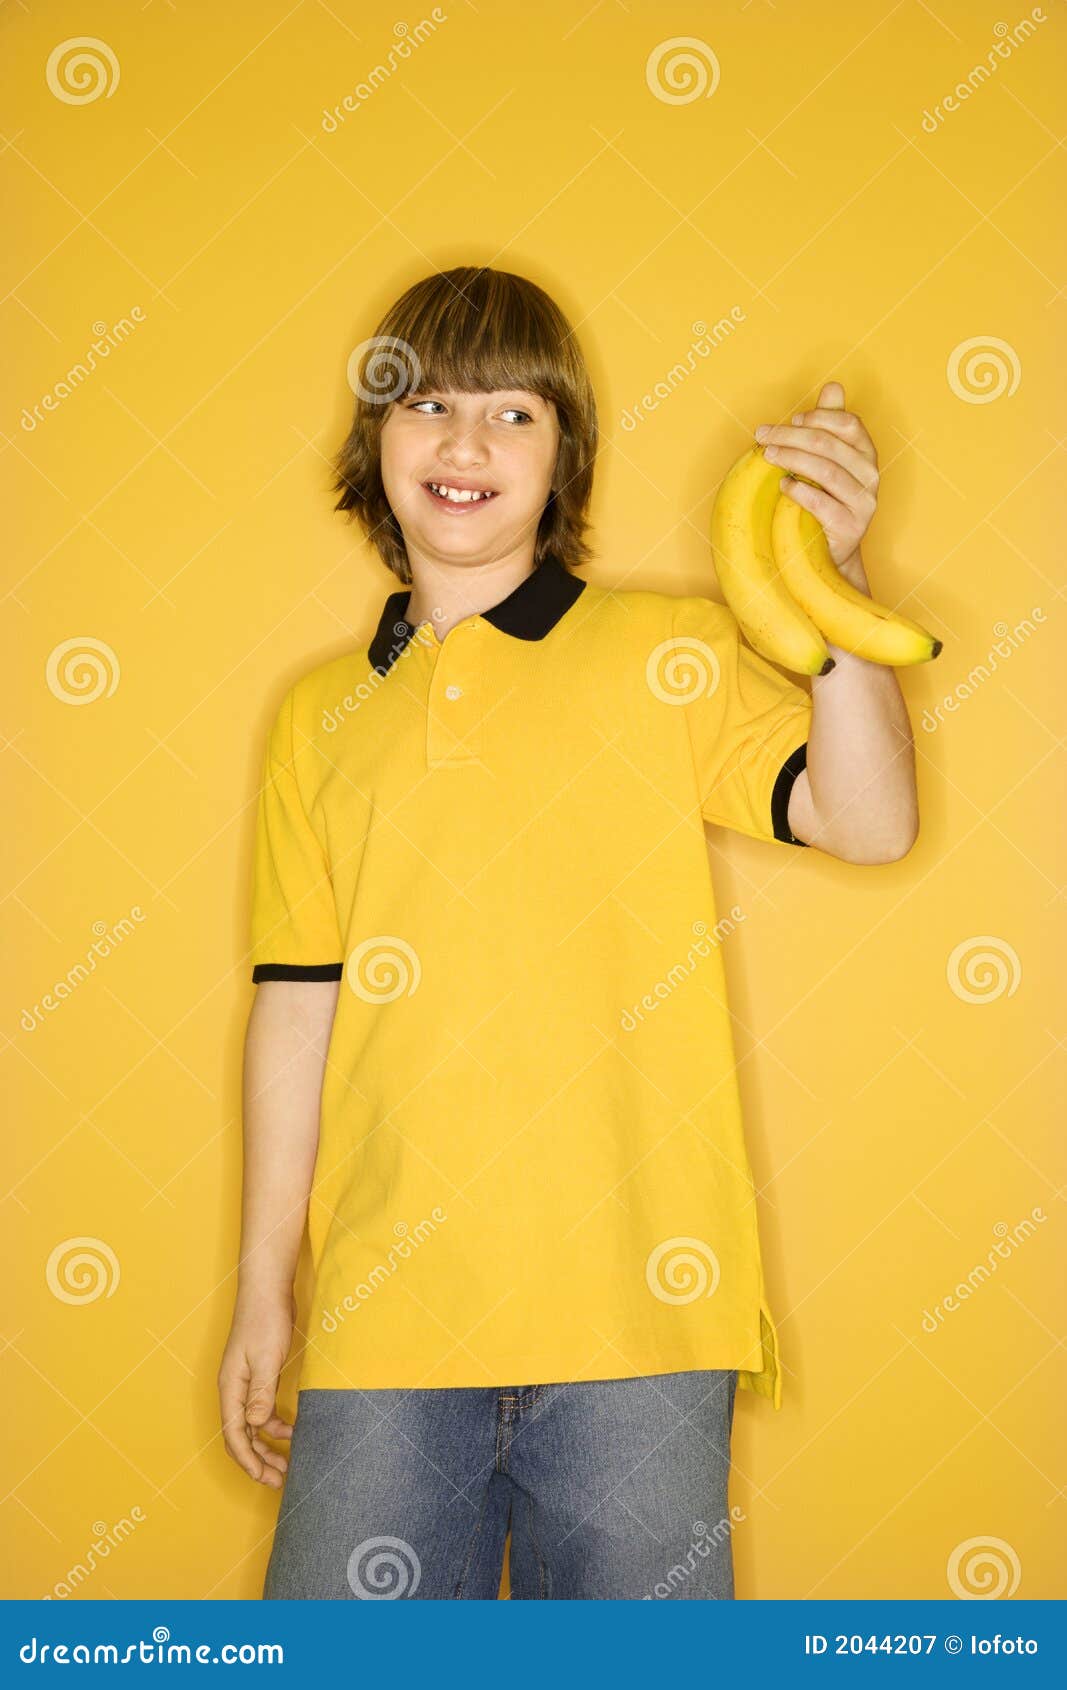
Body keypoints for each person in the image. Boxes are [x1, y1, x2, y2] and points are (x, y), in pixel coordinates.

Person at [217, 266, 919, 1600]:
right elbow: (296, 1007)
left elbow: (869, 820)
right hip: (384, 1324)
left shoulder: (672, 650)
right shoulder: (317, 720)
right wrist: (265, 1283)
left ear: (566, 453)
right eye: (424, 400)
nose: (465, 440)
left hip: (644, 1320)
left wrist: (839, 589)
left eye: (513, 412)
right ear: (377, 442)